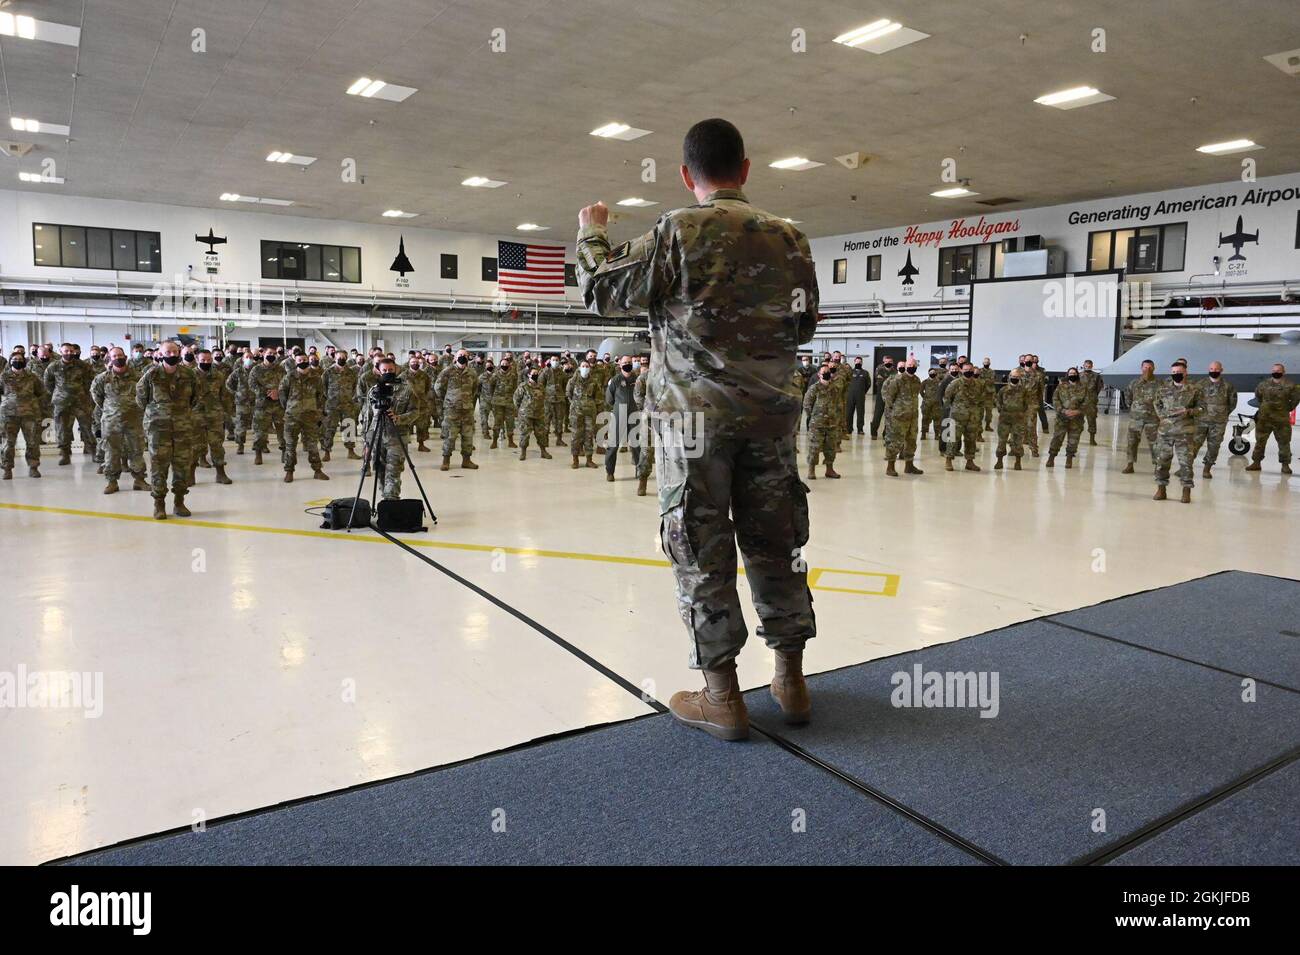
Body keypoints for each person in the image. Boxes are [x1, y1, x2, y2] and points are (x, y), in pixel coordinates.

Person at [576, 117, 818, 741]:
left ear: (687, 176)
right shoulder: (791, 239)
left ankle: (723, 697)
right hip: (769, 419)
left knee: (701, 550)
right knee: (777, 545)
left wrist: (592, 234)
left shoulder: (677, 232)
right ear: (746, 168)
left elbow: (603, 293)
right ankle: (791, 682)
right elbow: (806, 325)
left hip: (694, 425)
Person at [136, 340, 198, 520]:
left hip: (182, 428)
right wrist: (158, 414)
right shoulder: (151, 375)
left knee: (182, 466)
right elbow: (141, 399)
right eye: (168, 352)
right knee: (159, 467)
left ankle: (179, 502)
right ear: (160, 354)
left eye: (174, 351)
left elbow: (195, 397)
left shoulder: (188, 374)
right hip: (158, 430)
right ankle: (159, 503)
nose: (172, 355)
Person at [91, 347, 148, 494]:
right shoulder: (102, 378)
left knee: (137, 450)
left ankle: (139, 480)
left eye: (120, 355)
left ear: (125, 356)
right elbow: (97, 398)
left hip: (135, 421)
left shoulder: (139, 376)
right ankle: (112, 481)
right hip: (111, 421)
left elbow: (146, 395)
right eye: (114, 356)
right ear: (110, 359)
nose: (118, 358)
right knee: (111, 452)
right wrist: (113, 409)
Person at [1153, 361, 1202, 502]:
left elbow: (1202, 408)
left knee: (1186, 462)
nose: (1176, 375)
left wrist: (1188, 411)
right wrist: (1163, 416)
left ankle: (1186, 492)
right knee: (1162, 461)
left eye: (1179, 372)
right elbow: (1157, 403)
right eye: (1173, 372)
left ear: (1185, 372)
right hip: (1165, 431)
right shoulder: (1163, 389)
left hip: (1184, 431)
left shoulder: (1194, 389)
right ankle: (1161, 490)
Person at [279, 352, 329, 483]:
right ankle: (289, 471)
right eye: (299, 360)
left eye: (304, 359)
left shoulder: (316, 378)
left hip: (310, 417)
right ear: (296, 362)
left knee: (312, 444)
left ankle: (317, 470)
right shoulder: (289, 377)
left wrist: (317, 411)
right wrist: (290, 408)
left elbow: (321, 396)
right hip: (292, 417)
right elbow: (282, 394)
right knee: (290, 445)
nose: (302, 361)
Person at [45, 343, 97, 466]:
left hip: (81, 401)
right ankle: (65, 454)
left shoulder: (83, 366)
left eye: (71, 351)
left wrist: (83, 392)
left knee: (87, 427)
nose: (69, 353)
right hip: (61, 403)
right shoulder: (54, 366)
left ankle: (94, 451)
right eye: (66, 351)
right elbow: (48, 383)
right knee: (62, 428)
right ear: (60, 351)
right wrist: (59, 393)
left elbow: (90, 380)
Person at [1245, 363, 1299, 474]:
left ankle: (1285, 465)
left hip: (1281, 420)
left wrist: (1287, 408)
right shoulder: (1263, 384)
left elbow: (1295, 399)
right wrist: (1265, 407)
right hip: (1264, 419)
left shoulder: (1290, 385)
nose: (1276, 372)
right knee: (1260, 441)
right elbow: (1258, 397)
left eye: (1279, 371)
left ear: (1283, 372)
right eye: (1274, 370)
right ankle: (1256, 463)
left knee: (1284, 442)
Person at [0, 351, 45, 479]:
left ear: (24, 361)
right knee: (8, 443)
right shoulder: (3, 376)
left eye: (20, 359)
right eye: (15, 359)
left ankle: (33, 467)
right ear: (10, 361)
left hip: (30, 414)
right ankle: (7, 468)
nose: (18, 361)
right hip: (9, 414)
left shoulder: (32, 376)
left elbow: (41, 391)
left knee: (32, 442)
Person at [191, 350, 233, 486]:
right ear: (197, 360)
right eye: (203, 360)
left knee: (217, 445)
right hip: (195, 415)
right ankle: (190, 475)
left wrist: (227, 411)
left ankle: (220, 474)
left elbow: (224, 395)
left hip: (215, 416)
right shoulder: (189, 375)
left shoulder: (218, 375)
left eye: (208, 360)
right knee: (195, 446)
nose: (206, 363)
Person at [434, 349, 479, 471]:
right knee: (449, 436)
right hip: (451, 411)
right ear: (455, 357)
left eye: (465, 355)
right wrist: (449, 400)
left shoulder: (472, 373)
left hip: (467, 410)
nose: (462, 357)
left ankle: (466, 460)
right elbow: (438, 388)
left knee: (468, 436)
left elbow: (474, 389)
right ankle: (446, 460)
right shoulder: (447, 372)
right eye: (460, 355)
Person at [1192, 361, 1235, 479]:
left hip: (1218, 423)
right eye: (1211, 368)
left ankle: (1207, 469)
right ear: (1208, 369)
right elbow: (1193, 401)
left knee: (1214, 446)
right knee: (1193, 444)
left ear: (1221, 370)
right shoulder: (1200, 384)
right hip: (1200, 421)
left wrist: (1221, 414)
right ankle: (1186, 468)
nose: (1214, 371)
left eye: (1216, 369)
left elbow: (1232, 404)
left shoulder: (1228, 386)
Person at [881, 359, 923, 476]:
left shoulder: (917, 380)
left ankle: (909, 466)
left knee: (911, 441)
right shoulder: (897, 380)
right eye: (909, 365)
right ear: (906, 366)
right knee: (895, 441)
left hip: (913, 417)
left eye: (914, 365)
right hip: (899, 417)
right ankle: (890, 467)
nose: (912, 367)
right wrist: (894, 413)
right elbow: (889, 398)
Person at [604, 357, 641, 481]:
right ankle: (610, 472)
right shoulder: (615, 380)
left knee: (636, 444)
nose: (627, 365)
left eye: (629, 363)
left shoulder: (638, 379)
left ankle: (639, 470)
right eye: (625, 363)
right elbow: (609, 399)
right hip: (619, 413)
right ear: (620, 364)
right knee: (613, 444)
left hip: (634, 414)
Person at [1123, 359, 1162, 474]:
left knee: (1155, 443)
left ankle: (1157, 466)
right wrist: (1133, 407)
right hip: (1136, 418)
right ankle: (1130, 464)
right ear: (1141, 368)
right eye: (1145, 368)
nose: (1147, 370)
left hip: (1153, 418)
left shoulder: (1160, 384)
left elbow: (1163, 400)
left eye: (1150, 368)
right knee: (1132, 441)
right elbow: (1128, 395)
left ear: (1154, 368)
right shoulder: (1134, 383)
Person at [802, 364, 840, 480]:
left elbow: (838, 404)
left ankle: (829, 470)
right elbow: (807, 405)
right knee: (814, 447)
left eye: (828, 371)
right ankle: (811, 470)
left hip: (832, 424)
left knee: (831, 448)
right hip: (817, 424)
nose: (827, 373)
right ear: (819, 374)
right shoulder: (814, 388)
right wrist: (814, 417)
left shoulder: (835, 388)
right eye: (824, 371)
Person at [944, 362, 983, 472]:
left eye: (970, 369)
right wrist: (954, 410)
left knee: (971, 440)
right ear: (961, 370)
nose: (968, 371)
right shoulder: (955, 383)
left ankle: (970, 462)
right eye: (965, 369)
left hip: (973, 417)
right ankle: (948, 460)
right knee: (952, 438)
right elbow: (947, 398)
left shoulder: (978, 384)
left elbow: (981, 399)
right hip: (957, 416)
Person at [1046, 367, 1087, 468]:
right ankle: (1051, 458)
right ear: (1067, 375)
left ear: (1077, 374)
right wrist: (1063, 410)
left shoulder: (1083, 387)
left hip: (1076, 419)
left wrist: (1077, 411)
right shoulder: (1061, 387)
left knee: (1073, 441)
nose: (1072, 375)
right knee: (1057, 438)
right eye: (1070, 373)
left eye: (1074, 373)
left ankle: (1069, 459)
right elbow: (1055, 399)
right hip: (1062, 418)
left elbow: (1087, 402)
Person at [566, 359, 601, 469]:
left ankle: (589, 460)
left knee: (589, 435)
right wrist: (575, 404)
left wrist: (593, 405)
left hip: (590, 412)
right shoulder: (573, 380)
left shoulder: (594, 382)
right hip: (576, 412)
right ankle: (575, 460)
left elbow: (598, 396)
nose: (585, 368)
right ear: (579, 368)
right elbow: (568, 393)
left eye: (587, 366)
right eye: (583, 366)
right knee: (576, 435)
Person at [994, 367, 1029, 470]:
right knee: (1002, 441)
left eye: (1017, 377)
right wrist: (1002, 410)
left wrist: (1020, 412)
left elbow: (1026, 404)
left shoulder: (1024, 391)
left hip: (1018, 420)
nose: (1015, 378)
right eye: (1013, 376)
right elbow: (998, 401)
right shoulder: (1003, 390)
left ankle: (1018, 462)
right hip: (1004, 420)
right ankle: (999, 461)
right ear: (1009, 377)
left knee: (1018, 442)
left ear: (1020, 378)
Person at [513, 367, 551, 460]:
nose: (535, 375)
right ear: (529, 375)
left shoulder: (541, 386)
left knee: (541, 433)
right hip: (526, 415)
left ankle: (543, 451)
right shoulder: (523, 386)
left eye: (537, 373)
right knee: (525, 433)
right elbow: (516, 399)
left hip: (539, 414)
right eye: (533, 373)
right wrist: (521, 410)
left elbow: (544, 398)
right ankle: (523, 452)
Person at [632, 355, 654, 496]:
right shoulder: (644, 377)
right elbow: (638, 396)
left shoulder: (672, 377)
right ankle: (643, 480)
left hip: (670, 418)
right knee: (646, 451)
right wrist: (645, 410)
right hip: (650, 419)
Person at [869, 355, 895, 439]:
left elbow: (895, 383)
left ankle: (886, 433)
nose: (888, 363)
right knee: (877, 414)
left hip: (891, 396)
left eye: (890, 362)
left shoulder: (894, 371)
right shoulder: (879, 369)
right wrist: (889, 381)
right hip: (881, 395)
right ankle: (873, 432)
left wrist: (886, 380)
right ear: (884, 362)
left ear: (892, 362)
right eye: (886, 362)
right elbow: (879, 381)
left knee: (889, 415)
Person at [1080, 359, 1104, 445]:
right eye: (1086, 366)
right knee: (1078, 421)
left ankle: (1092, 439)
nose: (1087, 367)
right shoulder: (1079, 375)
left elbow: (1099, 387)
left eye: (1089, 366)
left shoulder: (1096, 376)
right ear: (1083, 365)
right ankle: (1077, 437)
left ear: (1092, 366)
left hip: (1091, 402)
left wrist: (1093, 396)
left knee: (1092, 420)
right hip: (1080, 402)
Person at [846, 357, 870, 435]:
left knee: (860, 412)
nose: (858, 363)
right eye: (857, 362)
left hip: (860, 396)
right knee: (849, 412)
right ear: (854, 362)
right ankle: (849, 428)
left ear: (862, 363)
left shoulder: (865, 373)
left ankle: (860, 429)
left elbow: (868, 384)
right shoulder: (849, 372)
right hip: (850, 395)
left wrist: (863, 392)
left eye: (860, 362)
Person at [978, 358, 996, 431]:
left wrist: (984, 380)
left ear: (990, 363)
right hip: (981, 394)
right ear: (983, 363)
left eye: (987, 362)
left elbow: (992, 381)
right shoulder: (979, 371)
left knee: (989, 413)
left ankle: (988, 426)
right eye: (985, 362)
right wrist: (986, 381)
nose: (986, 363)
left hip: (989, 395)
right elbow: (979, 381)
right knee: (980, 413)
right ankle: (979, 427)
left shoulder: (992, 371)